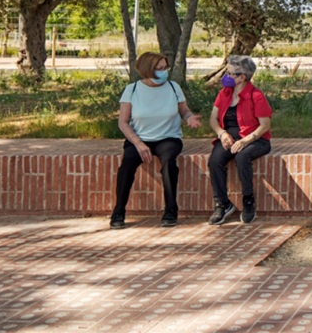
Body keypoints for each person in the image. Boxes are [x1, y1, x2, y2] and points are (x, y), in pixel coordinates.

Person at [110, 52, 200, 229]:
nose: (163, 72)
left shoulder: (174, 87)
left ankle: (170, 211)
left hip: (168, 137)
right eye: (158, 69)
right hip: (139, 138)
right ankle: (118, 212)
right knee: (127, 164)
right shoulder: (132, 89)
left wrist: (189, 118)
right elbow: (123, 122)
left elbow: (184, 110)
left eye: (165, 67)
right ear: (147, 70)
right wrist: (138, 143)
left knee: (169, 162)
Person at [208, 55, 272, 225]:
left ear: (242, 77)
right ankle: (222, 204)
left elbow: (264, 125)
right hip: (229, 137)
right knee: (215, 161)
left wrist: (245, 141)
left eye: (230, 73)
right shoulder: (224, 93)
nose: (225, 77)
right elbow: (213, 119)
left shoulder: (256, 95)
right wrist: (222, 133)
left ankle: (248, 200)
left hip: (256, 139)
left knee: (242, 157)